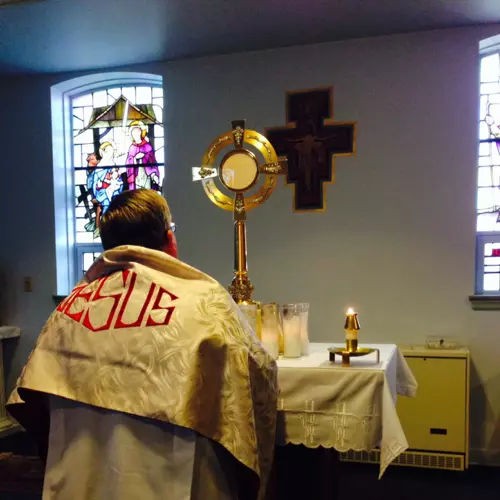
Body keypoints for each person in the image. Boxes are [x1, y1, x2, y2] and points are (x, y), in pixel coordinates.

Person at [7, 189, 278, 500]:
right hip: (176, 473)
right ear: (169, 240)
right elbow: (257, 371)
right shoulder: (204, 302)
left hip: (81, 477)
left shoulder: (69, 309)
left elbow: (35, 402)